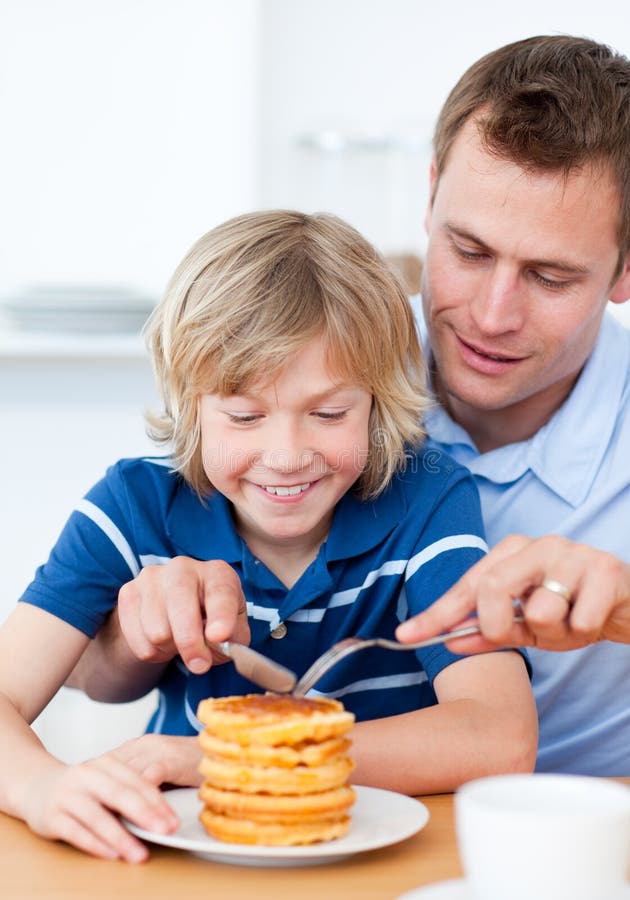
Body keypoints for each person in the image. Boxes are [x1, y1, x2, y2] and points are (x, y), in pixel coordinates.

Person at [0, 210, 536, 861]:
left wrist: (223, 760)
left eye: (329, 412)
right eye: (245, 415)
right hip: (187, 856)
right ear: (191, 405)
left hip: (384, 859)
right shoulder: (134, 505)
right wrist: (39, 788)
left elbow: (499, 736)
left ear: (377, 404)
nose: (285, 456)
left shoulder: (428, 497)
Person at [392, 35, 630, 775]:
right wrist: (133, 631)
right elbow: (98, 671)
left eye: (548, 276)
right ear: (432, 192)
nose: (492, 314)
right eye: (469, 252)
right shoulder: (314, 372)